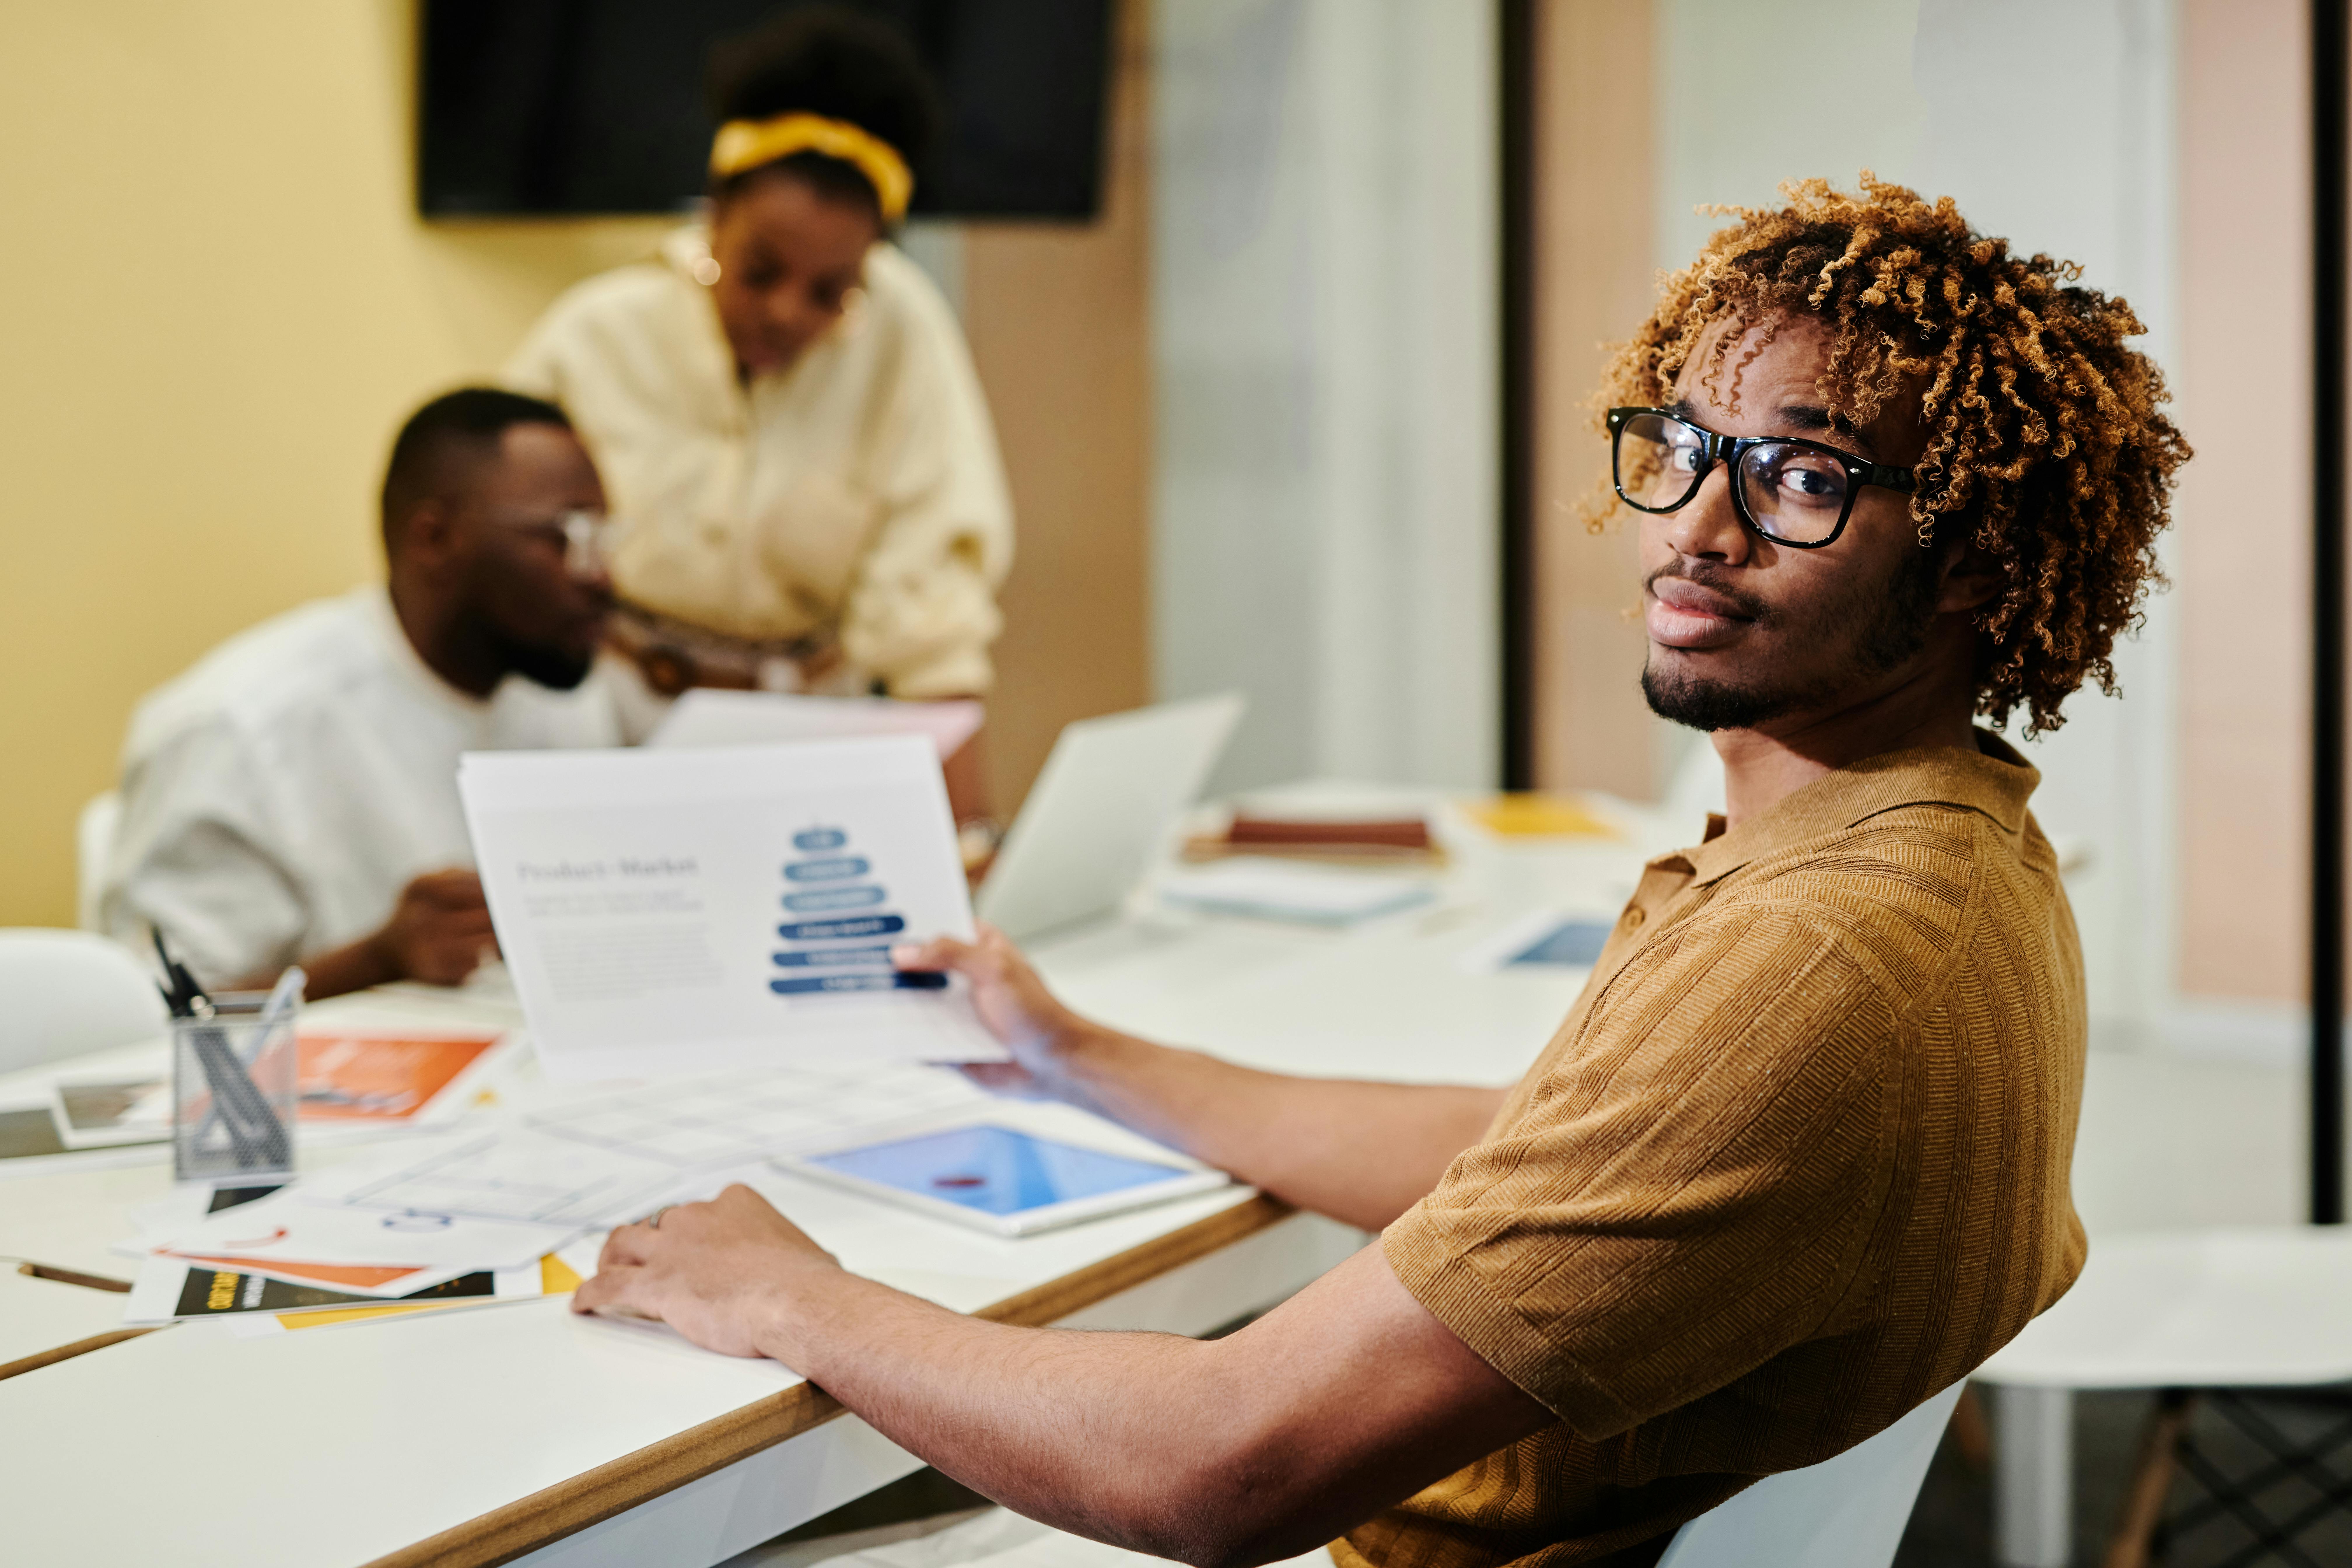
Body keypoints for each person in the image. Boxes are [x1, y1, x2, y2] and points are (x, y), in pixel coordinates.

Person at [571, 177, 2188, 1567]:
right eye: (1685, 445)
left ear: (1977, 556)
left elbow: (1224, 1467)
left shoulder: (1827, 960)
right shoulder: (1946, 852)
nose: (1697, 528)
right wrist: (1083, 1057)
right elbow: (1528, 1155)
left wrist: (794, 1297)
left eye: (1803, 476)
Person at [503, 7, 1012, 826]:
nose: (786, 313)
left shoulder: (903, 335)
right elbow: (512, 541)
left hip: (811, 737)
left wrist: (968, 847)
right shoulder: (596, 336)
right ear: (714, 214)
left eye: (828, 292)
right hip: (609, 727)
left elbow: (933, 611)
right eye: (760, 271)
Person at [102, 388, 620, 1000]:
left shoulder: (561, 694)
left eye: (606, 538)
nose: (600, 575)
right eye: (565, 536)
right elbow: (164, 1019)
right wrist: (379, 959)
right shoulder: (240, 729)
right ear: (434, 539)